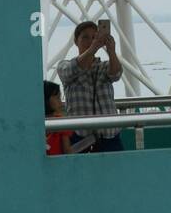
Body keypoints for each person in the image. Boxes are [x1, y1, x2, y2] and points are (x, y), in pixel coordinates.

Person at [56, 20, 124, 153]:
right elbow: (73, 69)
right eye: (85, 37)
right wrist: (93, 49)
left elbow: (116, 74)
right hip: (80, 137)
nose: (91, 41)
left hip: (110, 135)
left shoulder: (103, 66)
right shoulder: (64, 65)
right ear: (76, 41)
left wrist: (112, 51)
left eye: (94, 37)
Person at [44, 80, 73, 155]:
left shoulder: (61, 122)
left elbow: (67, 151)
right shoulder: (60, 122)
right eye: (57, 97)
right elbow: (68, 151)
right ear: (46, 99)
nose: (60, 101)